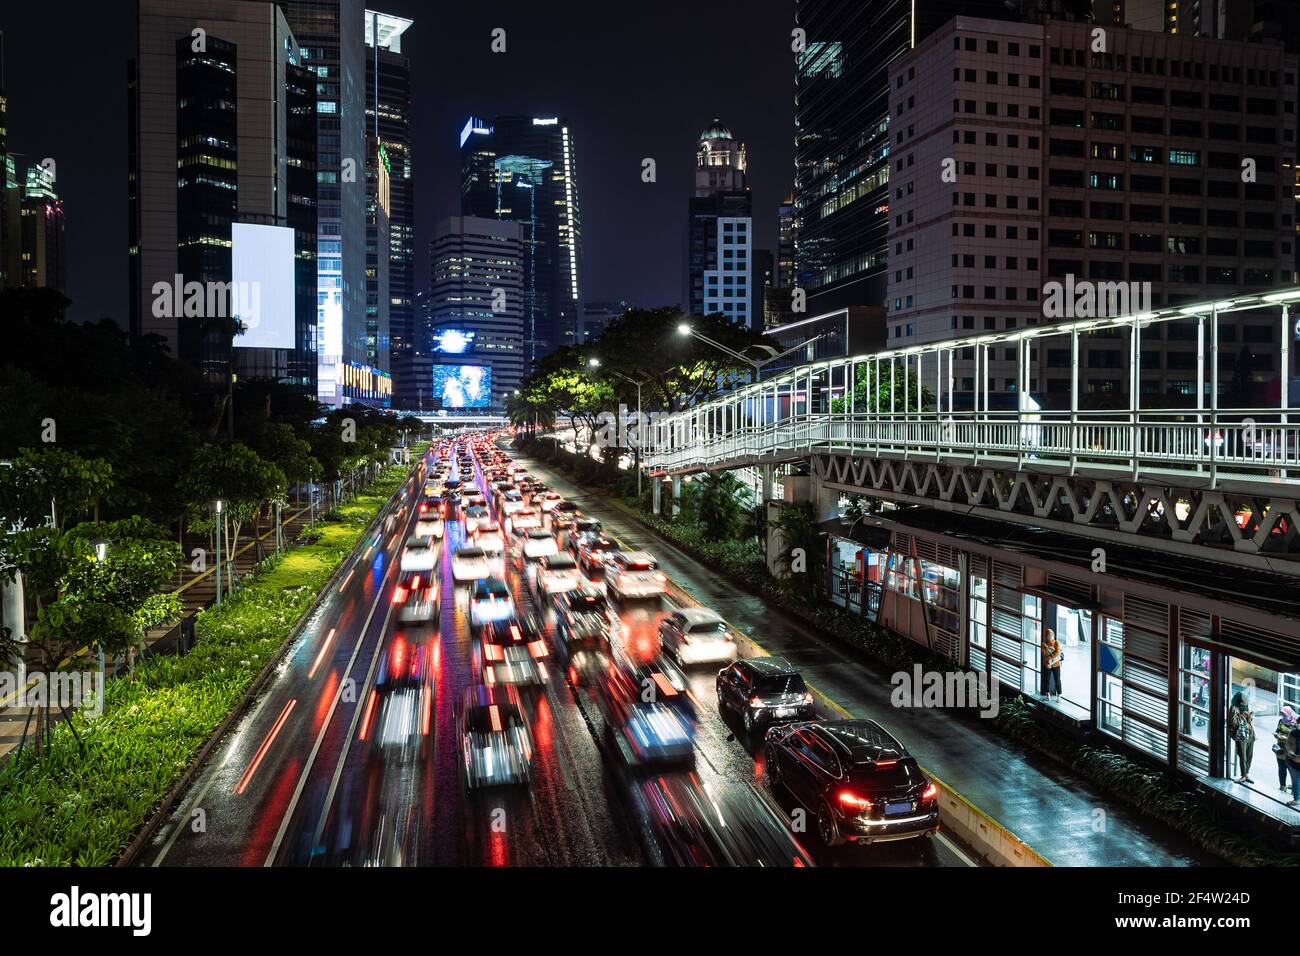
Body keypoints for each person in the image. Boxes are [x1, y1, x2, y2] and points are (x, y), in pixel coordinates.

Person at [1228, 692, 1256, 784]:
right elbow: (1233, 722)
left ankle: (1247, 773)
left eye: (1245, 703)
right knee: (1242, 755)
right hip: (1241, 735)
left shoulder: (1247, 706)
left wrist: (1250, 716)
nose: (1244, 704)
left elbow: (1249, 721)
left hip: (1250, 733)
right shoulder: (1233, 708)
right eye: (1243, 703)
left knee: (1249, 755)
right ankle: (1243, 775)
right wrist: (1242, 715)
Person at [1274, 704, 1298, 792]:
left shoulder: (1295, 724)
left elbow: (1296, 737)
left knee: (1292, 769)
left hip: (1290, 750)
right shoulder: (1281, 721)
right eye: (1282, 715)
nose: (1283, 717)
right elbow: (1277, 730)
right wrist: (1276, 735)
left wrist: (1285, 738)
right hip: (1280, 748)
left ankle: (1294, 787)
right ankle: (1282, 785)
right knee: (1281, 767)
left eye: (1285, 715)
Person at [1042, 628, 1063, 701]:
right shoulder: (1044, 644)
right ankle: (1047, 694)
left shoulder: (1056, 642)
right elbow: (1044, 654)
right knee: (1047, 680)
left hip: (1056, 664)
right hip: (1048, 665)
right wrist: (1049, 659)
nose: (1050, 637)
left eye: (1051, 635)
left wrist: (1050, 658)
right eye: (1048, 635)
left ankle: (1059, 695)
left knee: (1057, 680)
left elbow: (1057, 652)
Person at [1287, 725, 1300, 807]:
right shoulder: (1294, 732)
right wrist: (1292, 754)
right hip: (1294, 761)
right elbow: (1288, 744)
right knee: (1295, 781)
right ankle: (1297, 799)